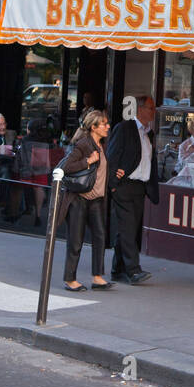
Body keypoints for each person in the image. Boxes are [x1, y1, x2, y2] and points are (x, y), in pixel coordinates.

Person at [106, 95, 159, 285]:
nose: (154, 112)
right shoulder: (125, 128)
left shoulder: (149, 134)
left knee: (128, 230)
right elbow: (112, 156)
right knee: (128, 229)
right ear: (140, 109)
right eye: (151, 108)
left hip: (140, 188)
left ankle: (117, 270)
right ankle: (134, 270)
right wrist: (112, 184)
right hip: (124, 185)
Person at [60, 109, 112, 293]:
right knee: (76, 240)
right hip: (79, 199)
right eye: (104, 124)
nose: (107, 126)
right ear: (94, 127)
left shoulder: (101, 145)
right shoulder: (83, 144)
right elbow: (65, 167)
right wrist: (88, 161)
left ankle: (97, 277)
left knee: (100, 237)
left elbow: (101, 173)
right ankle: (70, 279)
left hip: (96, 199)